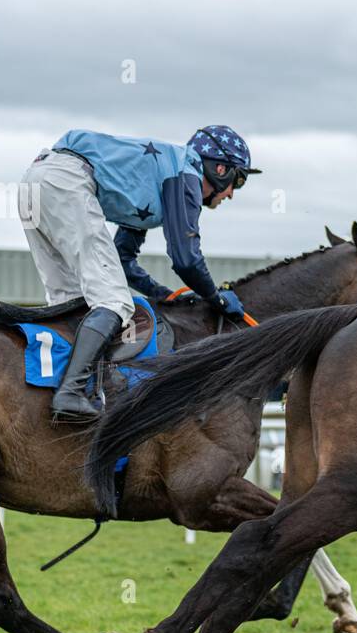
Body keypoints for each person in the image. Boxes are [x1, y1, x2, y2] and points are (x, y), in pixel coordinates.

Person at [17, 124, 259, 421]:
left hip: (34, 183)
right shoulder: (187, 175)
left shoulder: (159, 176)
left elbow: (123, 259)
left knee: (72, 303)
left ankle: (61, 394)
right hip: (65, 181)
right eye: (238, 180)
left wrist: (164, 295)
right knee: (115, 303)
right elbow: (186, 259)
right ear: (220, 169)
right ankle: (71, 393)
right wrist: (216, 298)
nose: (231, 194)